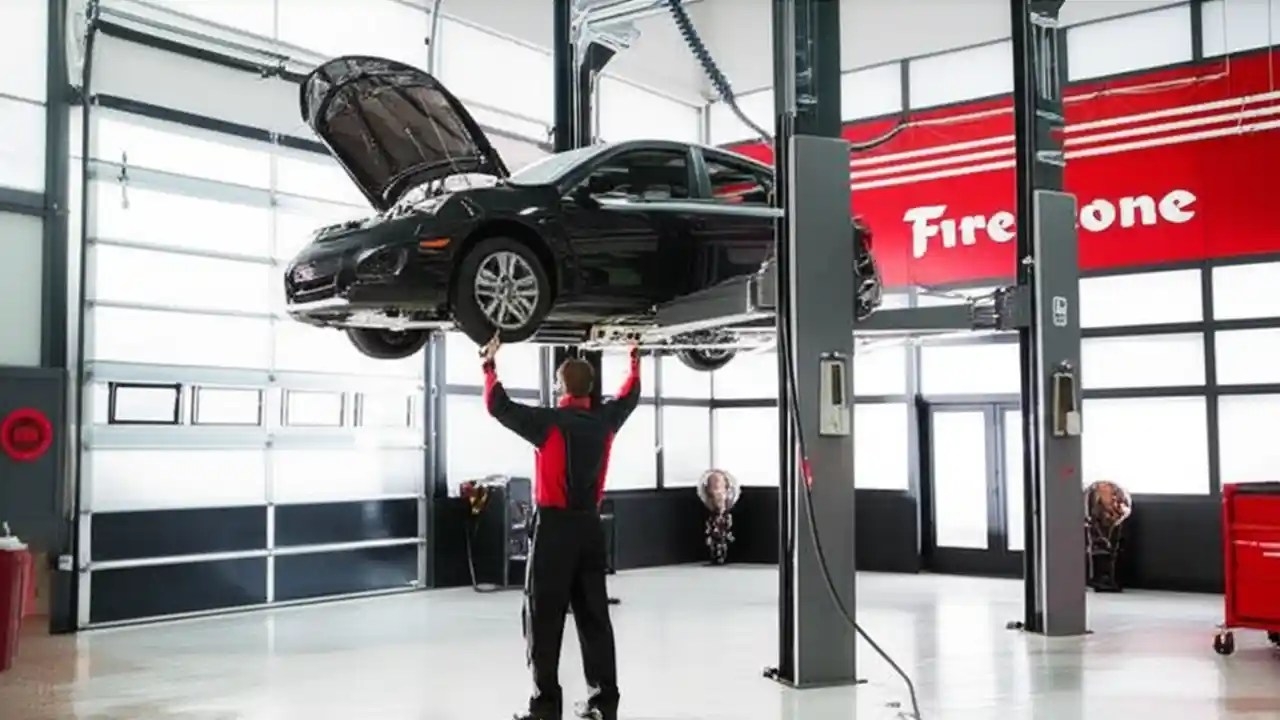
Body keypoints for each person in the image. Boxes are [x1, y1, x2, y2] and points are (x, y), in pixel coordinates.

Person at [480, 333, 641, 720]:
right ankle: (604, 704)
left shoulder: (547, 423)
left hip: (554, 531)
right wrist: (635, 355)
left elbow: (497, 405)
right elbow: (630, 395)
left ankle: (545, 707)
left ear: (559, 387)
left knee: (543, 618)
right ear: (590, 388)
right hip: (590, 528)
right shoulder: (605, 421)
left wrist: (488, 364)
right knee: (595, 618)